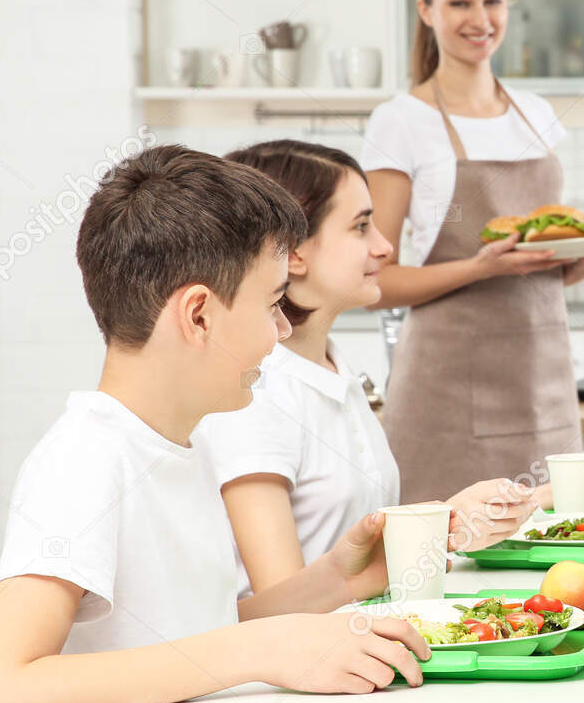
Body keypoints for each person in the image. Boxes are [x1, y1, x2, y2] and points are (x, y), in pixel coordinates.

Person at [0, 147, 505, 703]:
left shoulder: (182, 443)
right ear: (199, 315)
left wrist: (337, 581)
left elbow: (189, 638)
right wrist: (254, 651)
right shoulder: (86, 460)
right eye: (273, 303)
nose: (280, 330)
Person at [193, 140, 535, 596]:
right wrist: (440, 530)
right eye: (361, 227)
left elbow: (358, 542)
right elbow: (284, 602)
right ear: (290, 252)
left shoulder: (334, 369)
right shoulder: (255, 395)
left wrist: (455, 522)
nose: (385, 246)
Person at [359, 0, 584, 502]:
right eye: (459, 2)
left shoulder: (536, 115)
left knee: (561, 553)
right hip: (445, 395)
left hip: (545, 386)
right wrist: (482, 269)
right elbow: (375, 281)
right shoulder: (402, 121)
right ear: (427, 10)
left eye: (493, 0)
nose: (479, 18)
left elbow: (529, 266)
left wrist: (578, 262)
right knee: (450, 564)